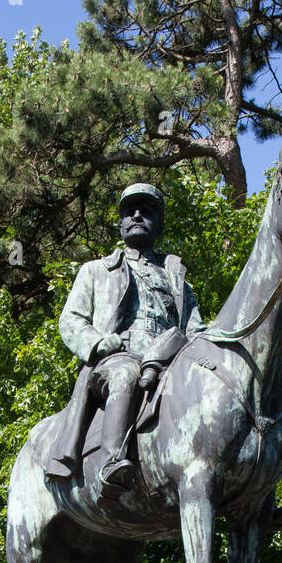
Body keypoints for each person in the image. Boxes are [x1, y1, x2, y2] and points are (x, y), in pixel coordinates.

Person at [52, 183, 206, 502]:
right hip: (117, 358)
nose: (137, 216)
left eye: (146, 211)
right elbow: (70, 320)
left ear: (158, 224)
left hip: (170, 361)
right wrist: (97, 343)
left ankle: (245, 493)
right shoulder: (96, 271)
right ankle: (112, 463)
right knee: (126, 374)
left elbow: (196, 330)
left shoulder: (178, 281)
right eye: (129, 212)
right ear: (121, 223)